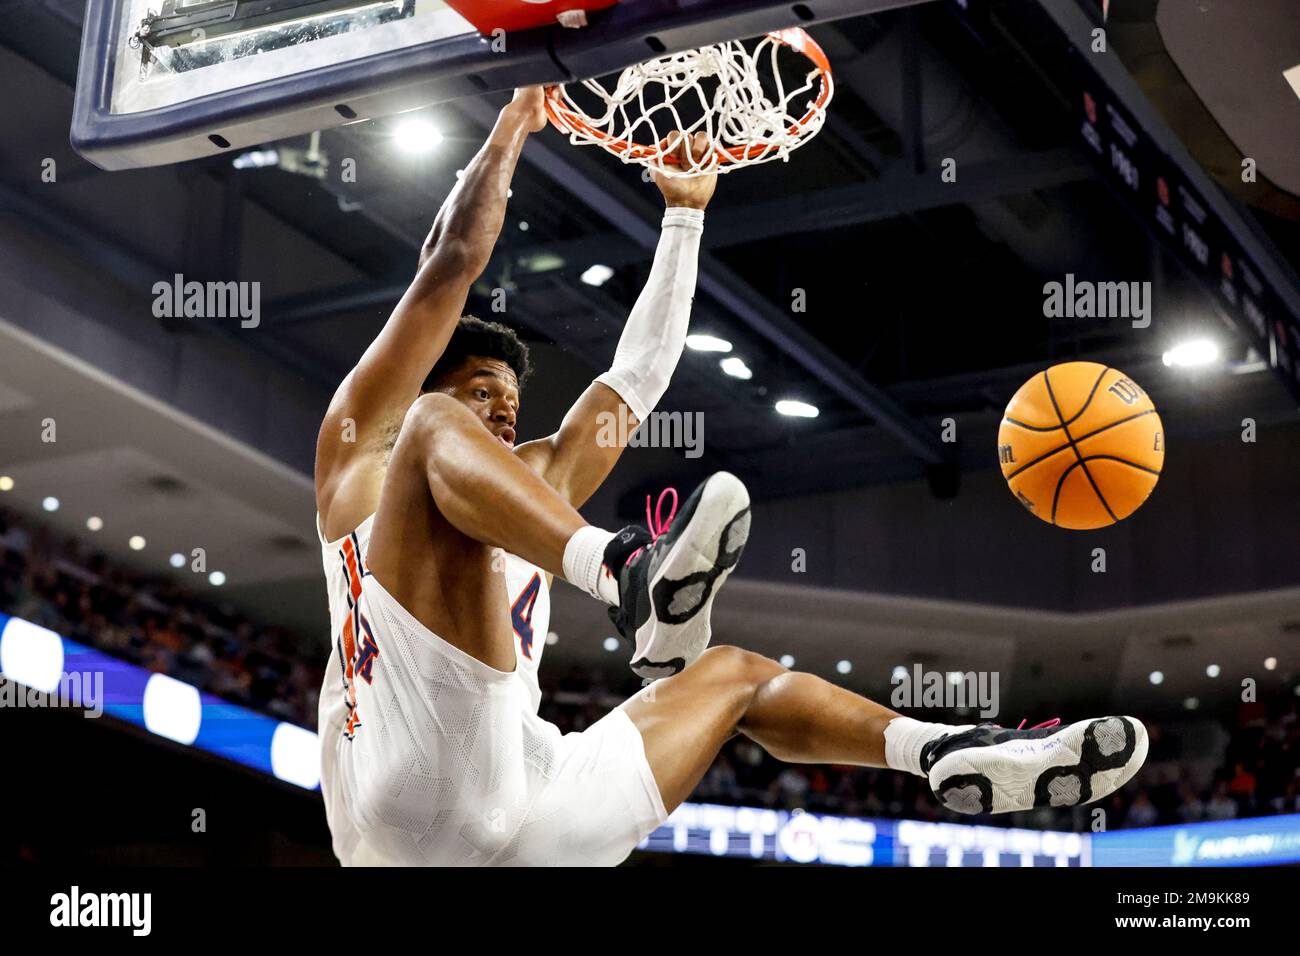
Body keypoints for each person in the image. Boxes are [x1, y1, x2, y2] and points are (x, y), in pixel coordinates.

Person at [313, 87, 1149, 867]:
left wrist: (682, 218)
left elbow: (636, 380)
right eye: (483, 391)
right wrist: (510, 126)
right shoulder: (361, 457)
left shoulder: (537, 482)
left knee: (735, 675)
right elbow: (452, 258)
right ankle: (625, 572)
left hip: (528, 810)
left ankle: (940, 750)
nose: (503, 411)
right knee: (436, 436)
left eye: (512, 398)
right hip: (405, 783)